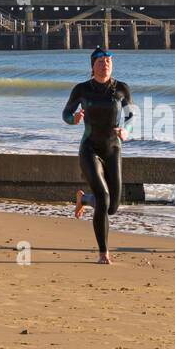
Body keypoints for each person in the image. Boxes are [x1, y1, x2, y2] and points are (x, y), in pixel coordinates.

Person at [62, 48, 133, 264]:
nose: (106, 64)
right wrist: (73, 119)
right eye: (101, 61)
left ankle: (84, 198)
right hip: (89, 148)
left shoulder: (121, 88)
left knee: (112, 207)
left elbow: (130, 115)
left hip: (113, 148)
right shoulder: (82, 89)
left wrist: (126, 130)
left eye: (109, 61)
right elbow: (66, 113)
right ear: (92, 65)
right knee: (103, 197)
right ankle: (103, 253)